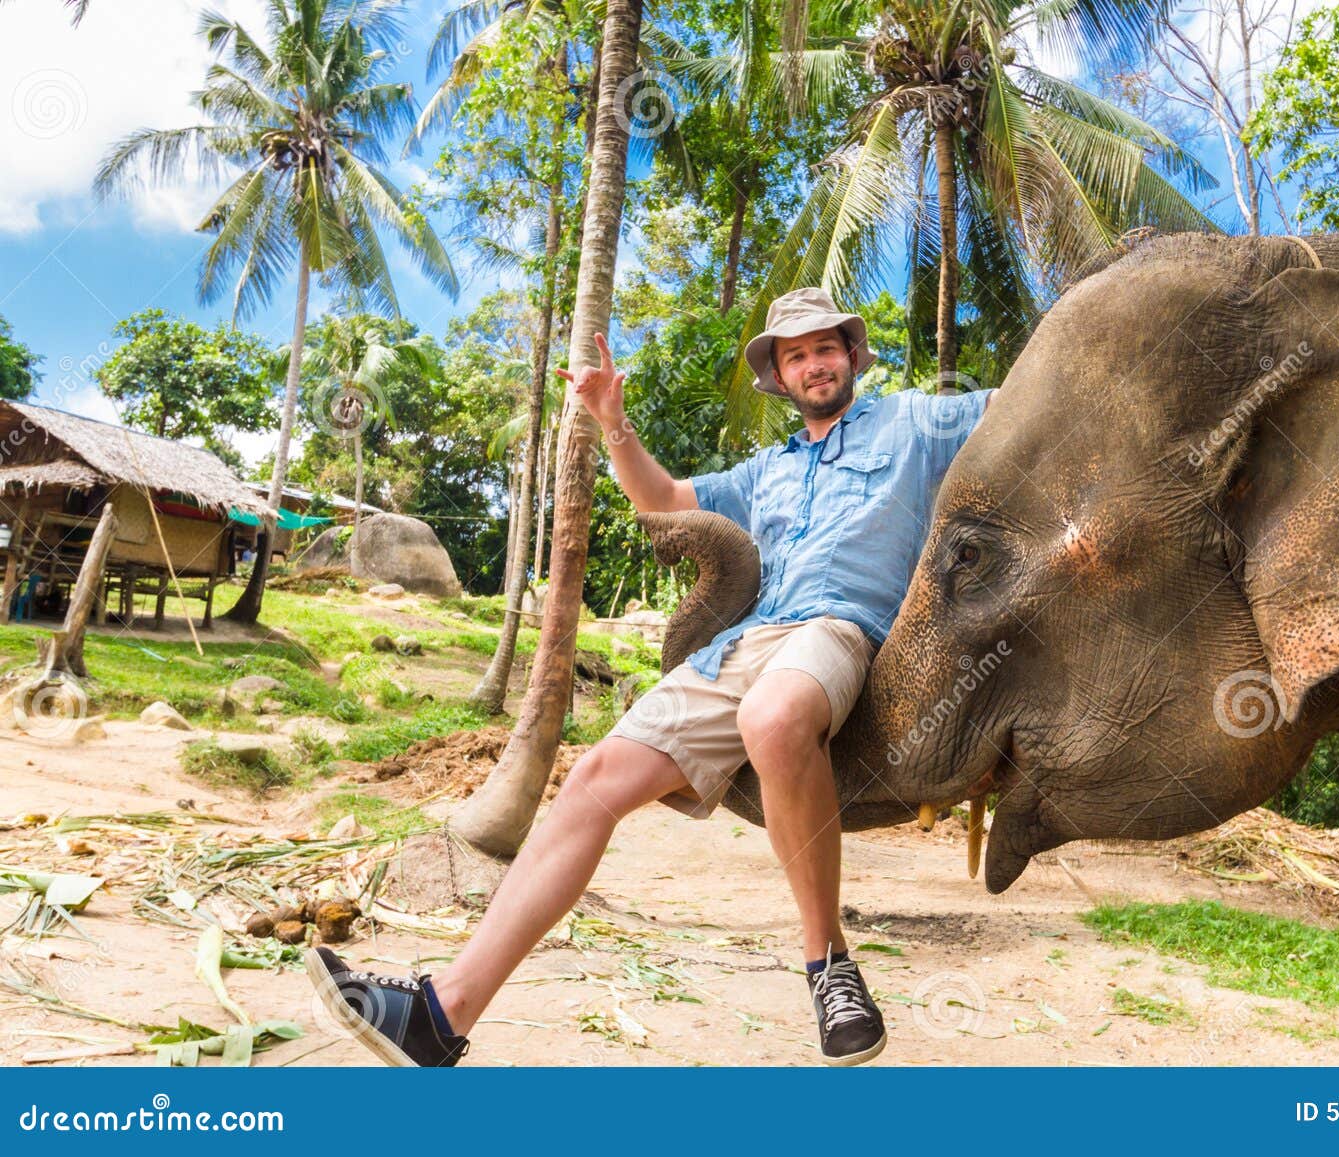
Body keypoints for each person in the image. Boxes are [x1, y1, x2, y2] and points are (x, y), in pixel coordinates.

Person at [307, 286, 995, 1067]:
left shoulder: (915, 421)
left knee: (771, 718)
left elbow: (1028, 401)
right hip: (741, 645)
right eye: (795, 353)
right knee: (593, 777)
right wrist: (613, 422)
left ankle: (829, 965)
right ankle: (439, 1014)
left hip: (840, 631)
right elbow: (662, 500)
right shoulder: (766, 470)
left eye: (825, 346)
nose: (813, 363)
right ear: (779, 374)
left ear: (852, 354)